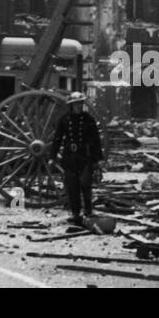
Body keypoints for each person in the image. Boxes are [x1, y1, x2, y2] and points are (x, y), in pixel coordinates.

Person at [51, 92, 103, 226]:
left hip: (85, 156)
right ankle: (75, 213)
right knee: (72, 186)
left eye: (80, 103)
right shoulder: (64, 119)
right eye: (76, 104)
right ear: (71, 106)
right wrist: (52, 156)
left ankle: (88, 211)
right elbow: (58, 138)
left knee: (85, 185)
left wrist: (97, 159)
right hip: (69, 157)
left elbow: (96, 139)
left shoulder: (88, 119)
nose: (78, 106)